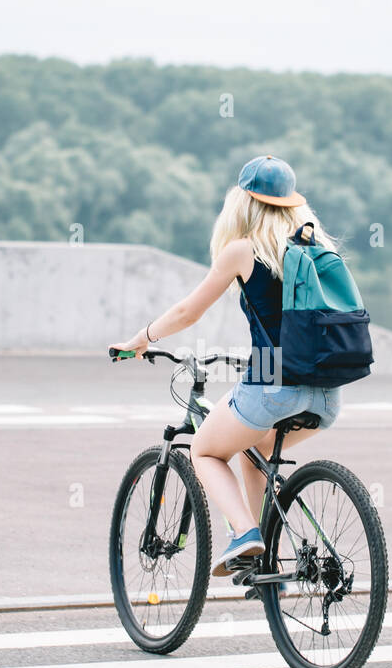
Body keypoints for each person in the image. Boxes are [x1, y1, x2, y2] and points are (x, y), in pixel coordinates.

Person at [109, 155, 343, 576]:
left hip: (273, 383)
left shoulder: (242, 250)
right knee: (252, 454)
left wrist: (139, 341)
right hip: (327, 392)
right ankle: (266, 565)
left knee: (205, 450)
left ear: (242, 202)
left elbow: (187, 313)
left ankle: (245, 535)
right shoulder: (315, 248)